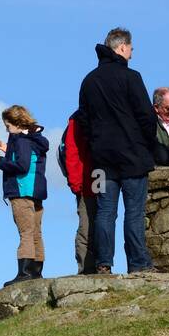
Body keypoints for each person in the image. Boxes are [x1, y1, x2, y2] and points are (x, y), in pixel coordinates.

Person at [77, 28, 157, 273]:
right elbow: (146, 116)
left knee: (105, 211)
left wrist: (95, 144)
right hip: (132, 156)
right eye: (131, 48)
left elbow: (84, 120)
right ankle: (138, 263)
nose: (132, 53)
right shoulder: (131, 77)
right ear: (122, 47)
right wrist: (146, 144)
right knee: (134, 211)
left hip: (101, 159)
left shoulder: (89, 80)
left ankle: (103, 263)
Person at [0, 104, 49, 284]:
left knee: (26, 232)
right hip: (36, 192)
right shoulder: (32, 139)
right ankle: (36, 273)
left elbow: (22, 165)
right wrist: (8, 149)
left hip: (21, 191)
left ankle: (24, 274)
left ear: (16, 124)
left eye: (8, 126)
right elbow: (26, 157)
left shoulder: (21, 141)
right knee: (36, 233)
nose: (7, 129)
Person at [59, 109, 98, 273]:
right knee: (87, 224)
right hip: (86, 181)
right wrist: (76, 184)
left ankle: (97, 265)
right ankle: (86, 268)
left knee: (98, 223)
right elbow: (72, 153)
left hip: (100, 178)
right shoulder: (77, 121)